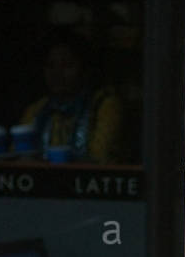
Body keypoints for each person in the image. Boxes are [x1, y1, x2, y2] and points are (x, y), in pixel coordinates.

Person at [20, 32, 123, 164]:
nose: (57, 73)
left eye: (67, 65)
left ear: (85, 70)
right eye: (50, 65)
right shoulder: (36, 110)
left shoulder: (103, 106)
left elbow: (102, 158)